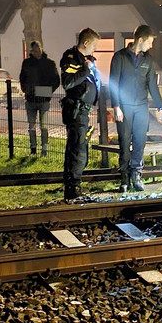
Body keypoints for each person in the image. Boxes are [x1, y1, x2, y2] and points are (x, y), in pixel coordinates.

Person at [109, 24, 162, 192]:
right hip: (125, 107)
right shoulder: (119, 57)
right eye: (149, 42)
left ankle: (136, 175)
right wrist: (116, 106)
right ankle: (124, 178)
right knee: (124, 141)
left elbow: (152, 85)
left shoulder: (148, 61)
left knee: (140, 142)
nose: (151, 46)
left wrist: (160, 107)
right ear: (140, 40)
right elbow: (114, 82)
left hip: (141, 107)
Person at [59, 28, 103, 201]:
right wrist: (86, 70)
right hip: (76, 110)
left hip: (83, 109)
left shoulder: (86, 59)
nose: (95, 49)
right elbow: (68, 82)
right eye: (94, 45)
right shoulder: (71, 58)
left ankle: (74, 185)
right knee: (77, 149)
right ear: (85, 43)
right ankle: (72, 188)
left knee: (79, 148)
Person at [18, 40, 60, 156]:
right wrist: (26, 89)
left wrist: (48, 91)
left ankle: (44, 150)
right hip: (32, 98)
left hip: (43, 99)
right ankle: (34, 149)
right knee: (32, 126)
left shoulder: (48, 64)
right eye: (34, 51)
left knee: (43, 126)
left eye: (38, 50)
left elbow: (56, 80)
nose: (36, 53)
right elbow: (22, 78)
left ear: (41, 49)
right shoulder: (28, 63)